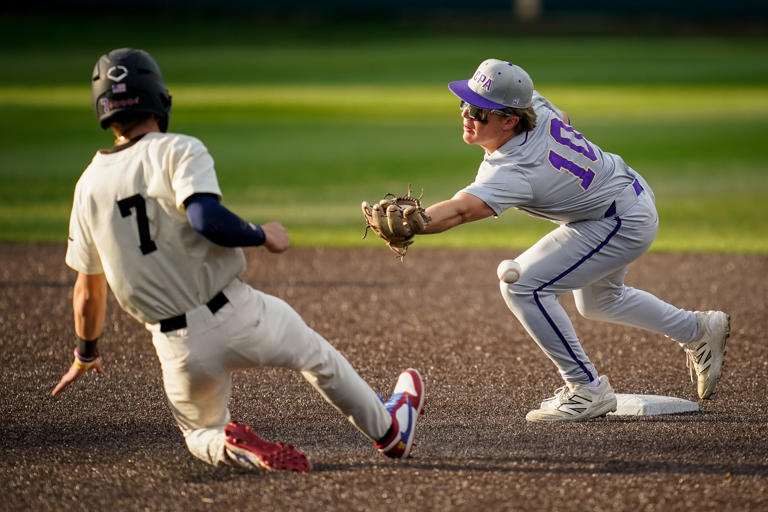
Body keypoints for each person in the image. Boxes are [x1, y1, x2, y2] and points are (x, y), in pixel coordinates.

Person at [51, 48, 425, 471]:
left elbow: (87, 292)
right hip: (237, 312)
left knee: (199, 432)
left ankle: (229, 444)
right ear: (158, 97)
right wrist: (262, 234)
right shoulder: (177, 149)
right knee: (316, 357)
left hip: (176, 344)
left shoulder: (88, 185)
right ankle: (389, 432)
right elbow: (205, 219)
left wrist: (86, 353)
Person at [416, 58, 729, 422]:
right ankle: (697, 329)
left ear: (510, 121)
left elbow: (459, 211)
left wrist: (413, 224)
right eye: (464, 103)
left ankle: (586, 388)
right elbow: (563, 118)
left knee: (523, 287)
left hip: (619, 221)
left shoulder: (514, 169)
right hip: (623, 196)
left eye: (477, 111)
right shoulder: (533, 104)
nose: (465, 114)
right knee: (599, 301)